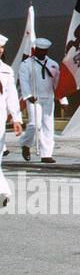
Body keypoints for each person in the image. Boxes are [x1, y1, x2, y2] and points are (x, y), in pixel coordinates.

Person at [17, 37, 59, 163]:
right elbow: (23, 81)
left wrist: (63, 100)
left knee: (48, 125)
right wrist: (28, 95)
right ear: (35, 50)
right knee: (35, 124)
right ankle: (25, 144)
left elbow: (57, 83)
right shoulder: (26, 64)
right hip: (34, 98)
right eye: (39, 50)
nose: (42, 53)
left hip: (48, 97)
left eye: (44, 51)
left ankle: (46, 154)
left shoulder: (53, 64)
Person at [0, 33, 22, 206]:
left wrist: (16, 118)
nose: (0, 50)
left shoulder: (6, 70)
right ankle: (4, 191)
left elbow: (12, 97)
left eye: (1, 47)